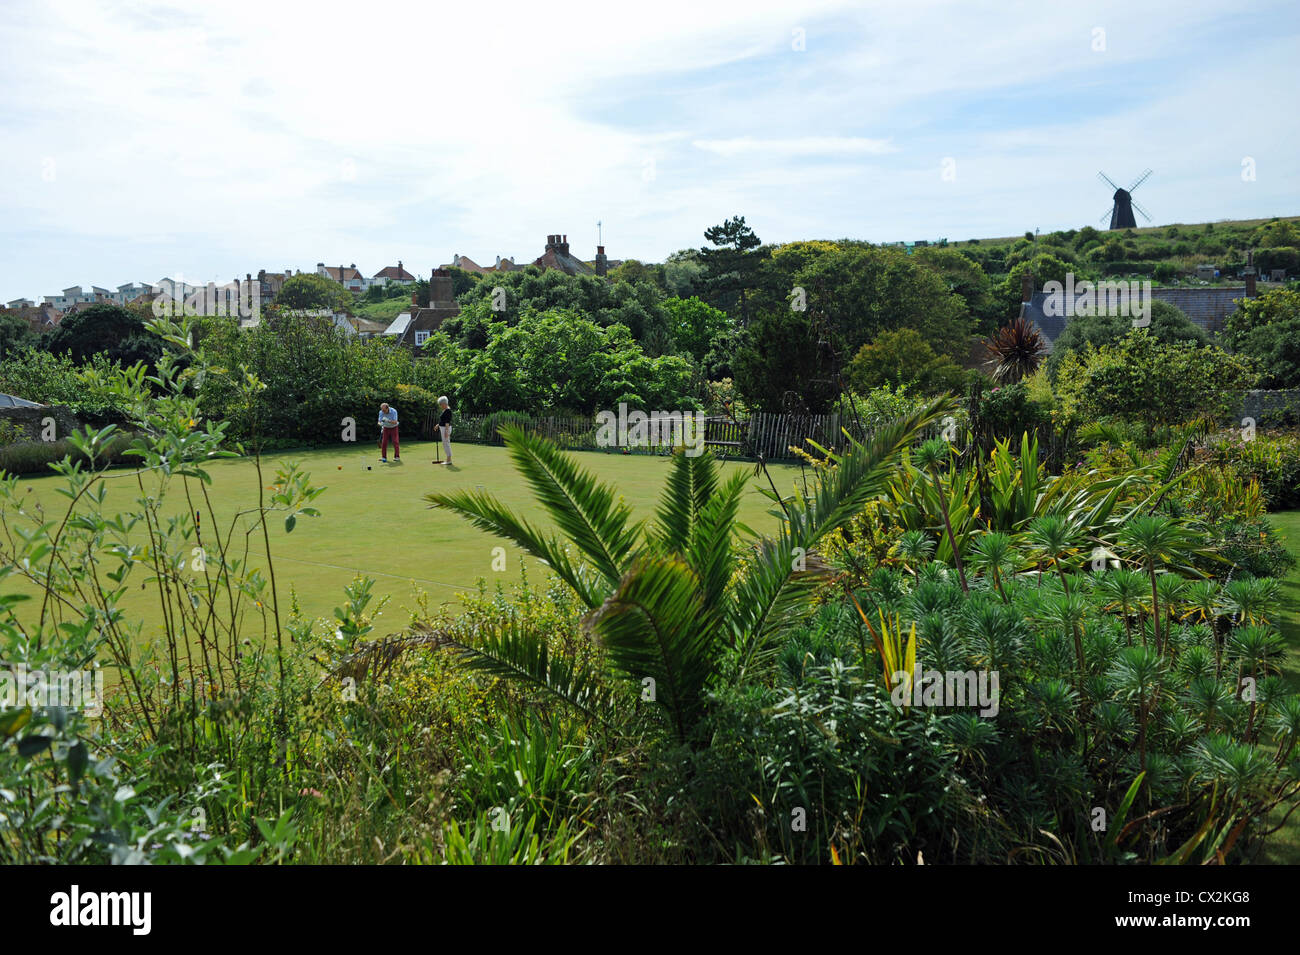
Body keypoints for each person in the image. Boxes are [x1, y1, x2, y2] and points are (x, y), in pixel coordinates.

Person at [437, 395, 453, 465]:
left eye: (441, 404)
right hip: (443, 428)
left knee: (446, 444)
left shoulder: (448, 411)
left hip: (445, 429)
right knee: (445, 444)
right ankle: (448, 459)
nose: (440, 406)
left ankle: (448, 460)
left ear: (444, 403)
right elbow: (443, 420)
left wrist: (446, 432)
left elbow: (447, 422)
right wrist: (438, 425)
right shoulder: (445, 410)